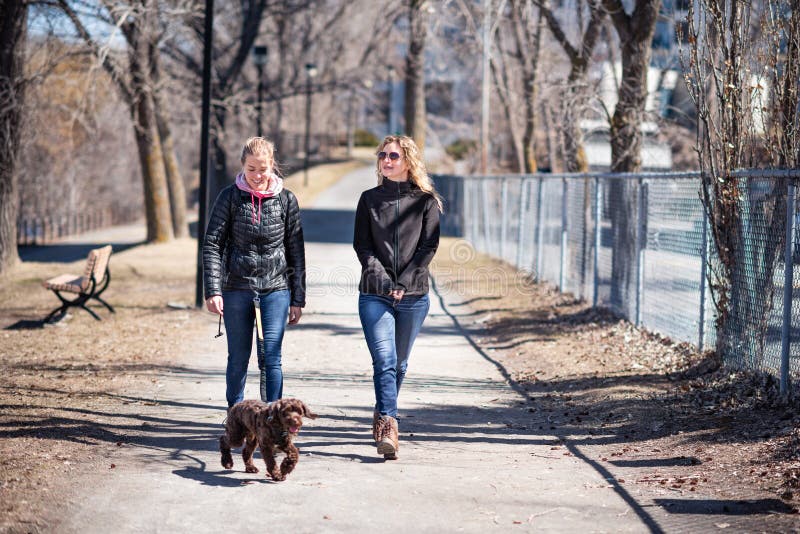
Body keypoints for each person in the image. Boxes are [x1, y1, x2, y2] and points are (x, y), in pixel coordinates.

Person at [353, 135, 442, 460]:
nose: (386, 160)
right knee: (385, 361)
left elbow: (427, 247)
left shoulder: (426, 201)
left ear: (407, 160)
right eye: (382, 155)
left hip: (414, 295)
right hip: (374, 295)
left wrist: (403, 281)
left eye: (393, 155)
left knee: (399, 364)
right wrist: (382, 280)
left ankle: (381, 411)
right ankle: (390, 425)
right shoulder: (368, 200)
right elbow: (362, 246)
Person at [203, 136, 305, 408]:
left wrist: (298, 299)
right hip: (237, 289)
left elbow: (296, 250)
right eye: (251, 169)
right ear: (242, 166)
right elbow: (212, 244)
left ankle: (272, 417)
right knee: (238, 357)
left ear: (272, 165)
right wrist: (213, 290)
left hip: (276, 289)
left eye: (263, 169)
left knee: (271, 357)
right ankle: (235, 415)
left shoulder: (287, 200)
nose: (258, 175)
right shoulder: (230, 197)